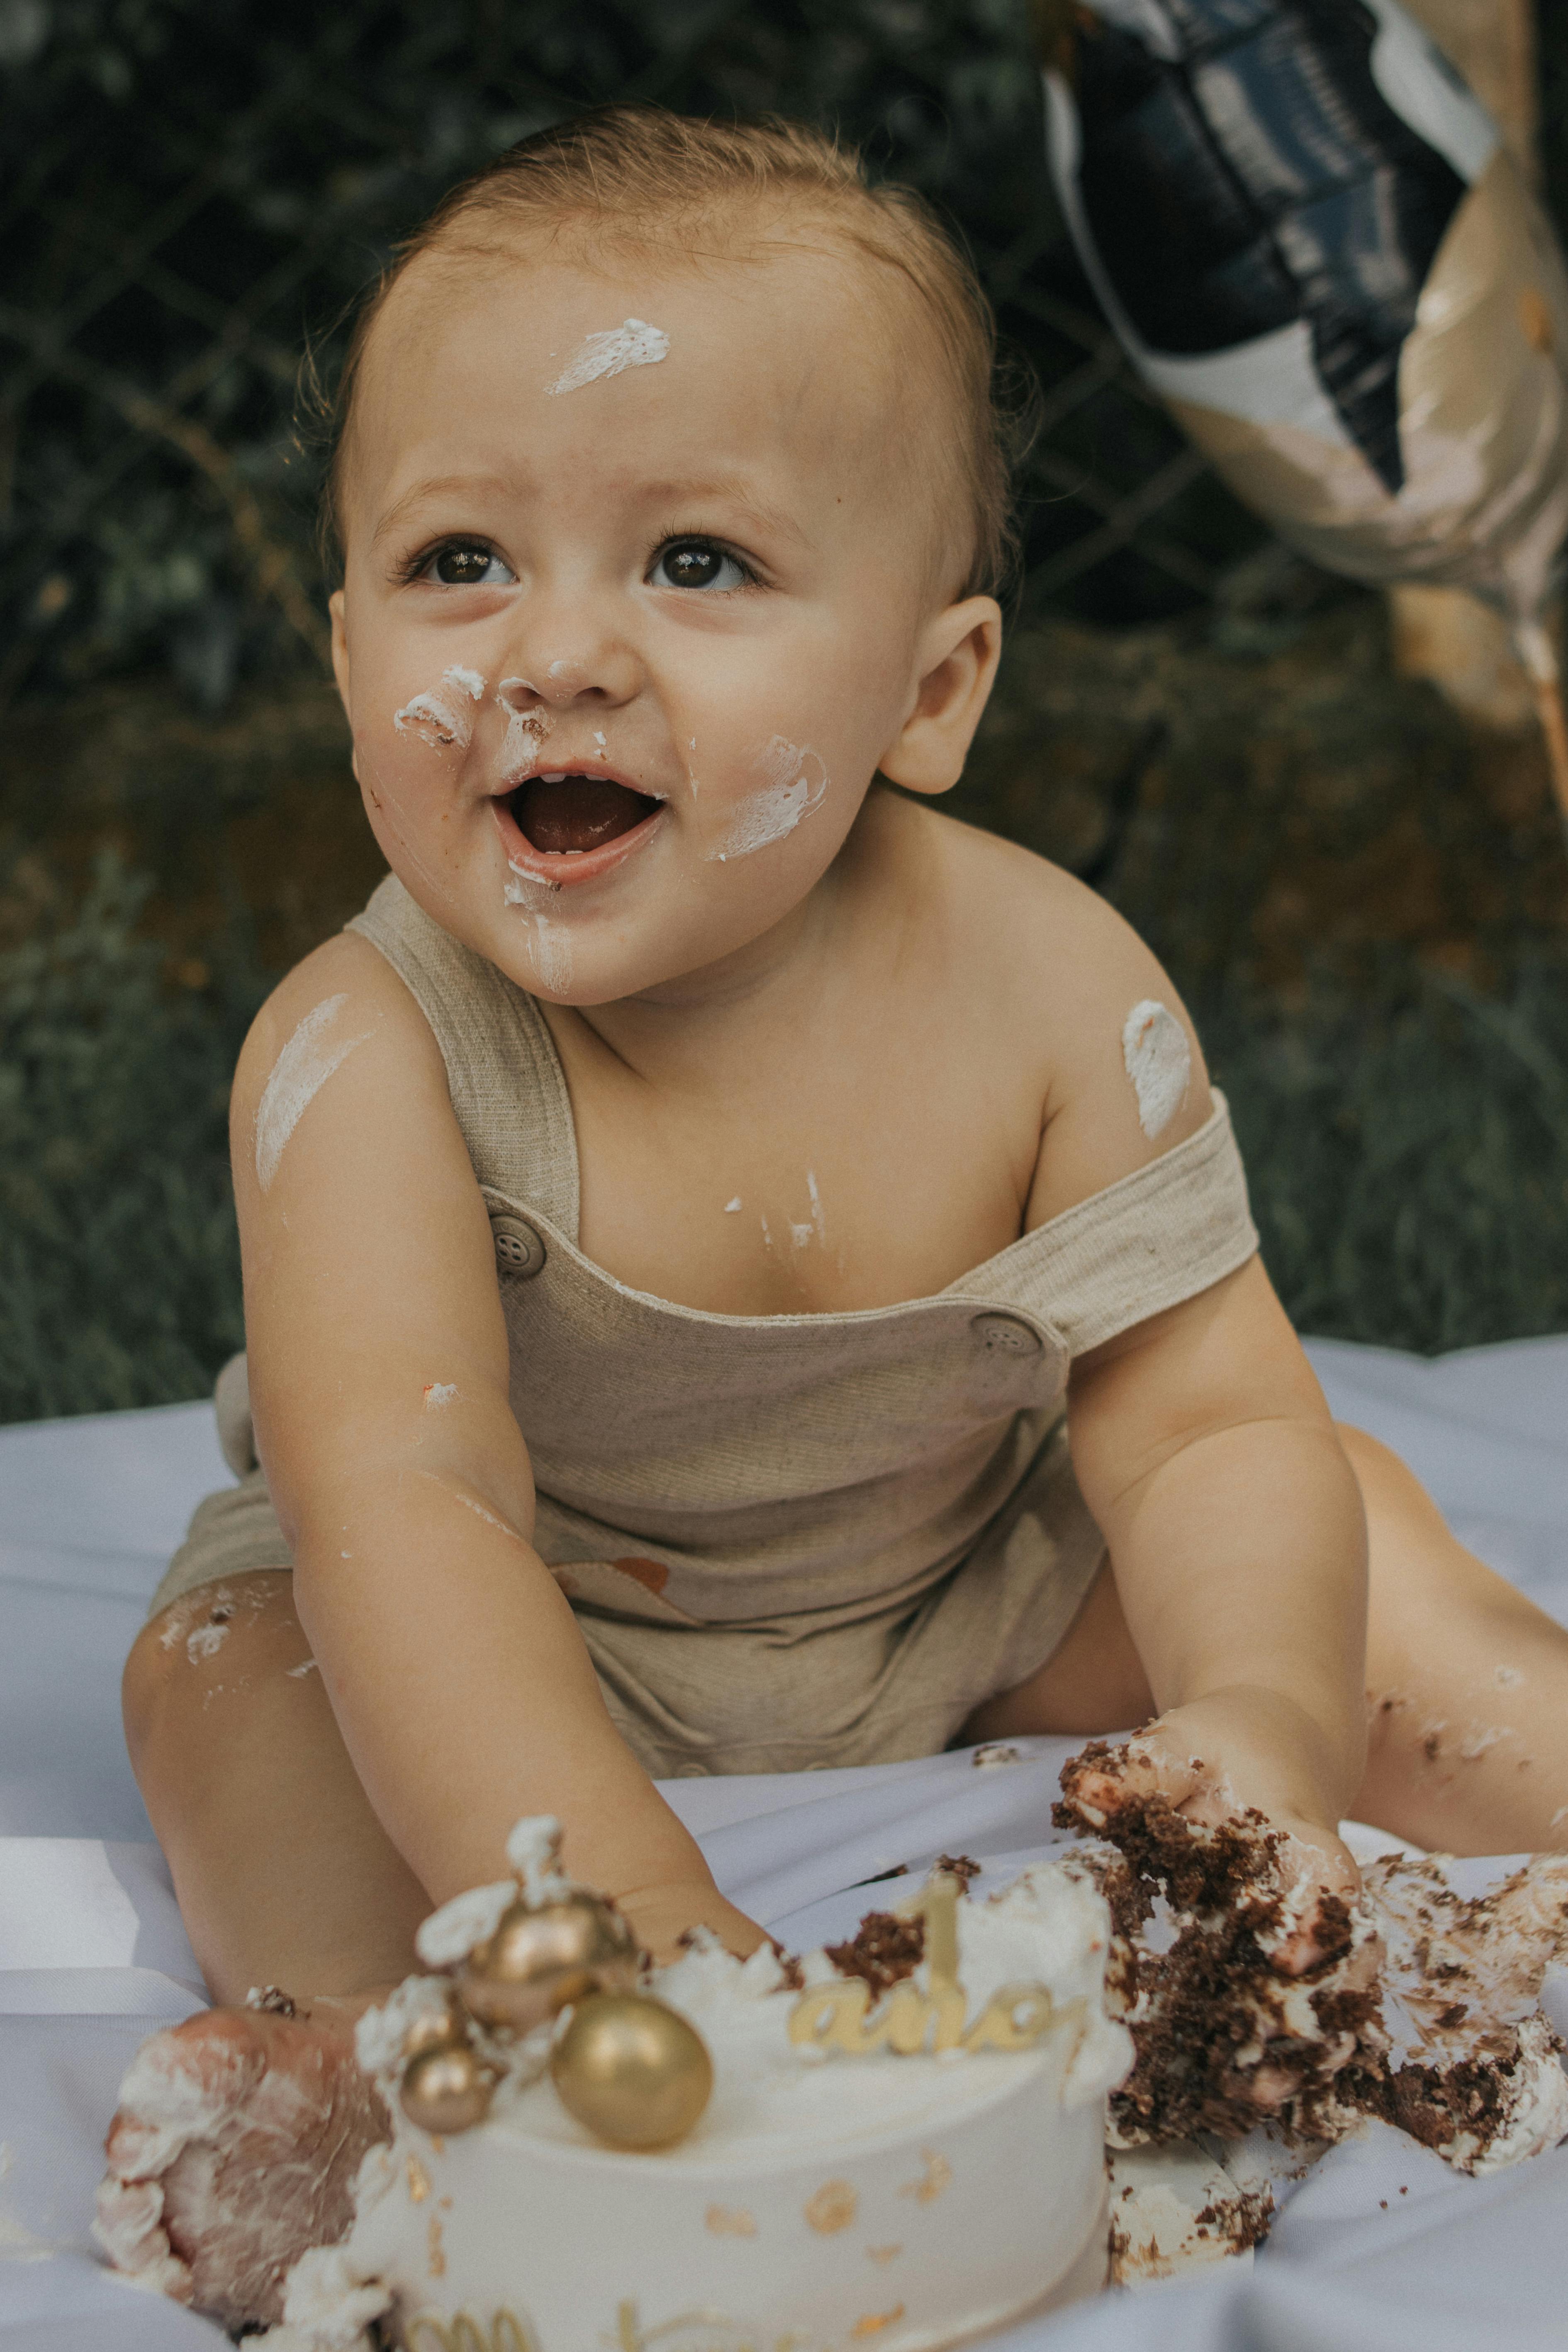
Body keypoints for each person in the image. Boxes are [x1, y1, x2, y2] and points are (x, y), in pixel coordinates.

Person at [94, 105, 1568, 2329]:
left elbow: (1194, 1423)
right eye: (459, 558)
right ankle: (374, 2069)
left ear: (931, 690)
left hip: (961, 1589)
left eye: (695, 563)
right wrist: (617, 1903)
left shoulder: (1052, 989)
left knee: (1331, 1515)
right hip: (518, 1622)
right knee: (237, 1680)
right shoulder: (363, 1053)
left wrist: (1259, 1717)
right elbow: (413, 1507)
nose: (556, 651)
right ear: (340, 653)